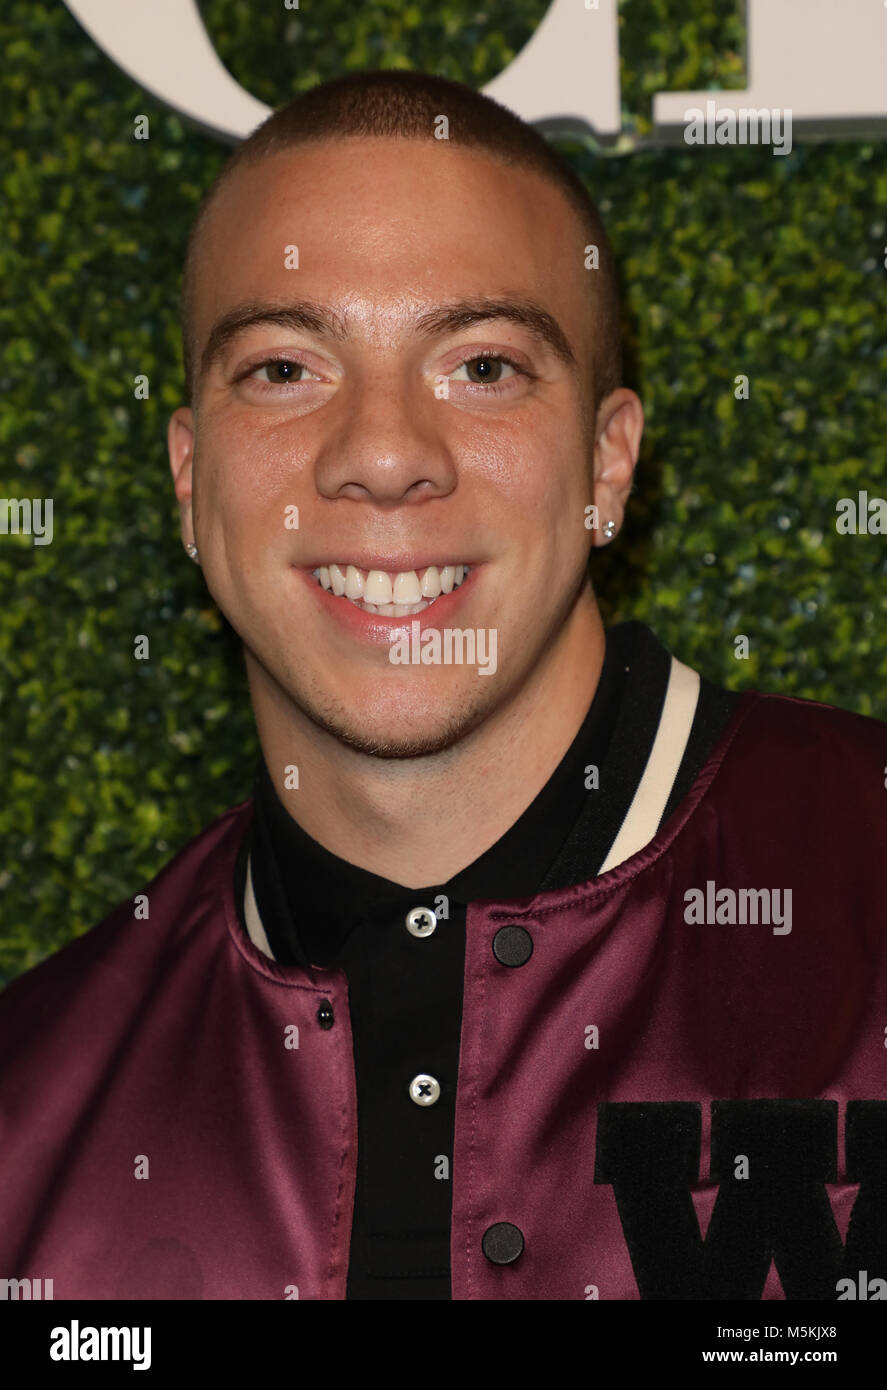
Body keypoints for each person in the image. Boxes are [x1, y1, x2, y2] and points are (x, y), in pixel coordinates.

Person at [1, 68, 885, 1303]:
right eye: (281, 368)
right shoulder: (29, 1122)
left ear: (607, 462)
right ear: (189, 483)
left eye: (480, 367)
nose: (381, 454)